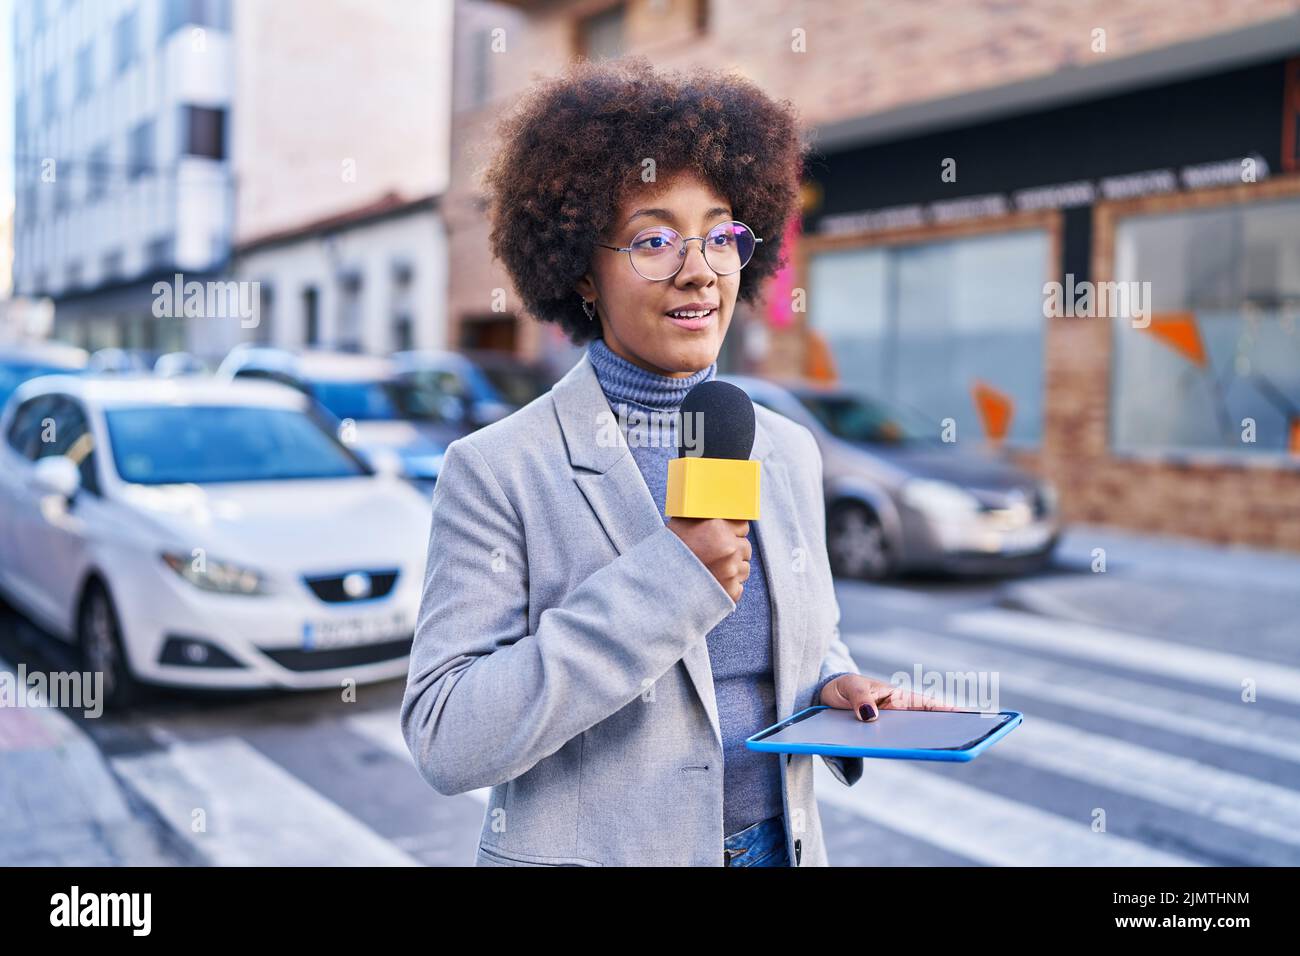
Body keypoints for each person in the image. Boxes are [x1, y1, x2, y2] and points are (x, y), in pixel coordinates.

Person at [400, 56, 952, 867]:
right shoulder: (499, 469)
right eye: (654, 239)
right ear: (582, 273)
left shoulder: (784, 447)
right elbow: (448, 737)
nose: (698, 269)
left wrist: (834, 686)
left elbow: (805, 639)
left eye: (721, 234)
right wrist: (668, 584)